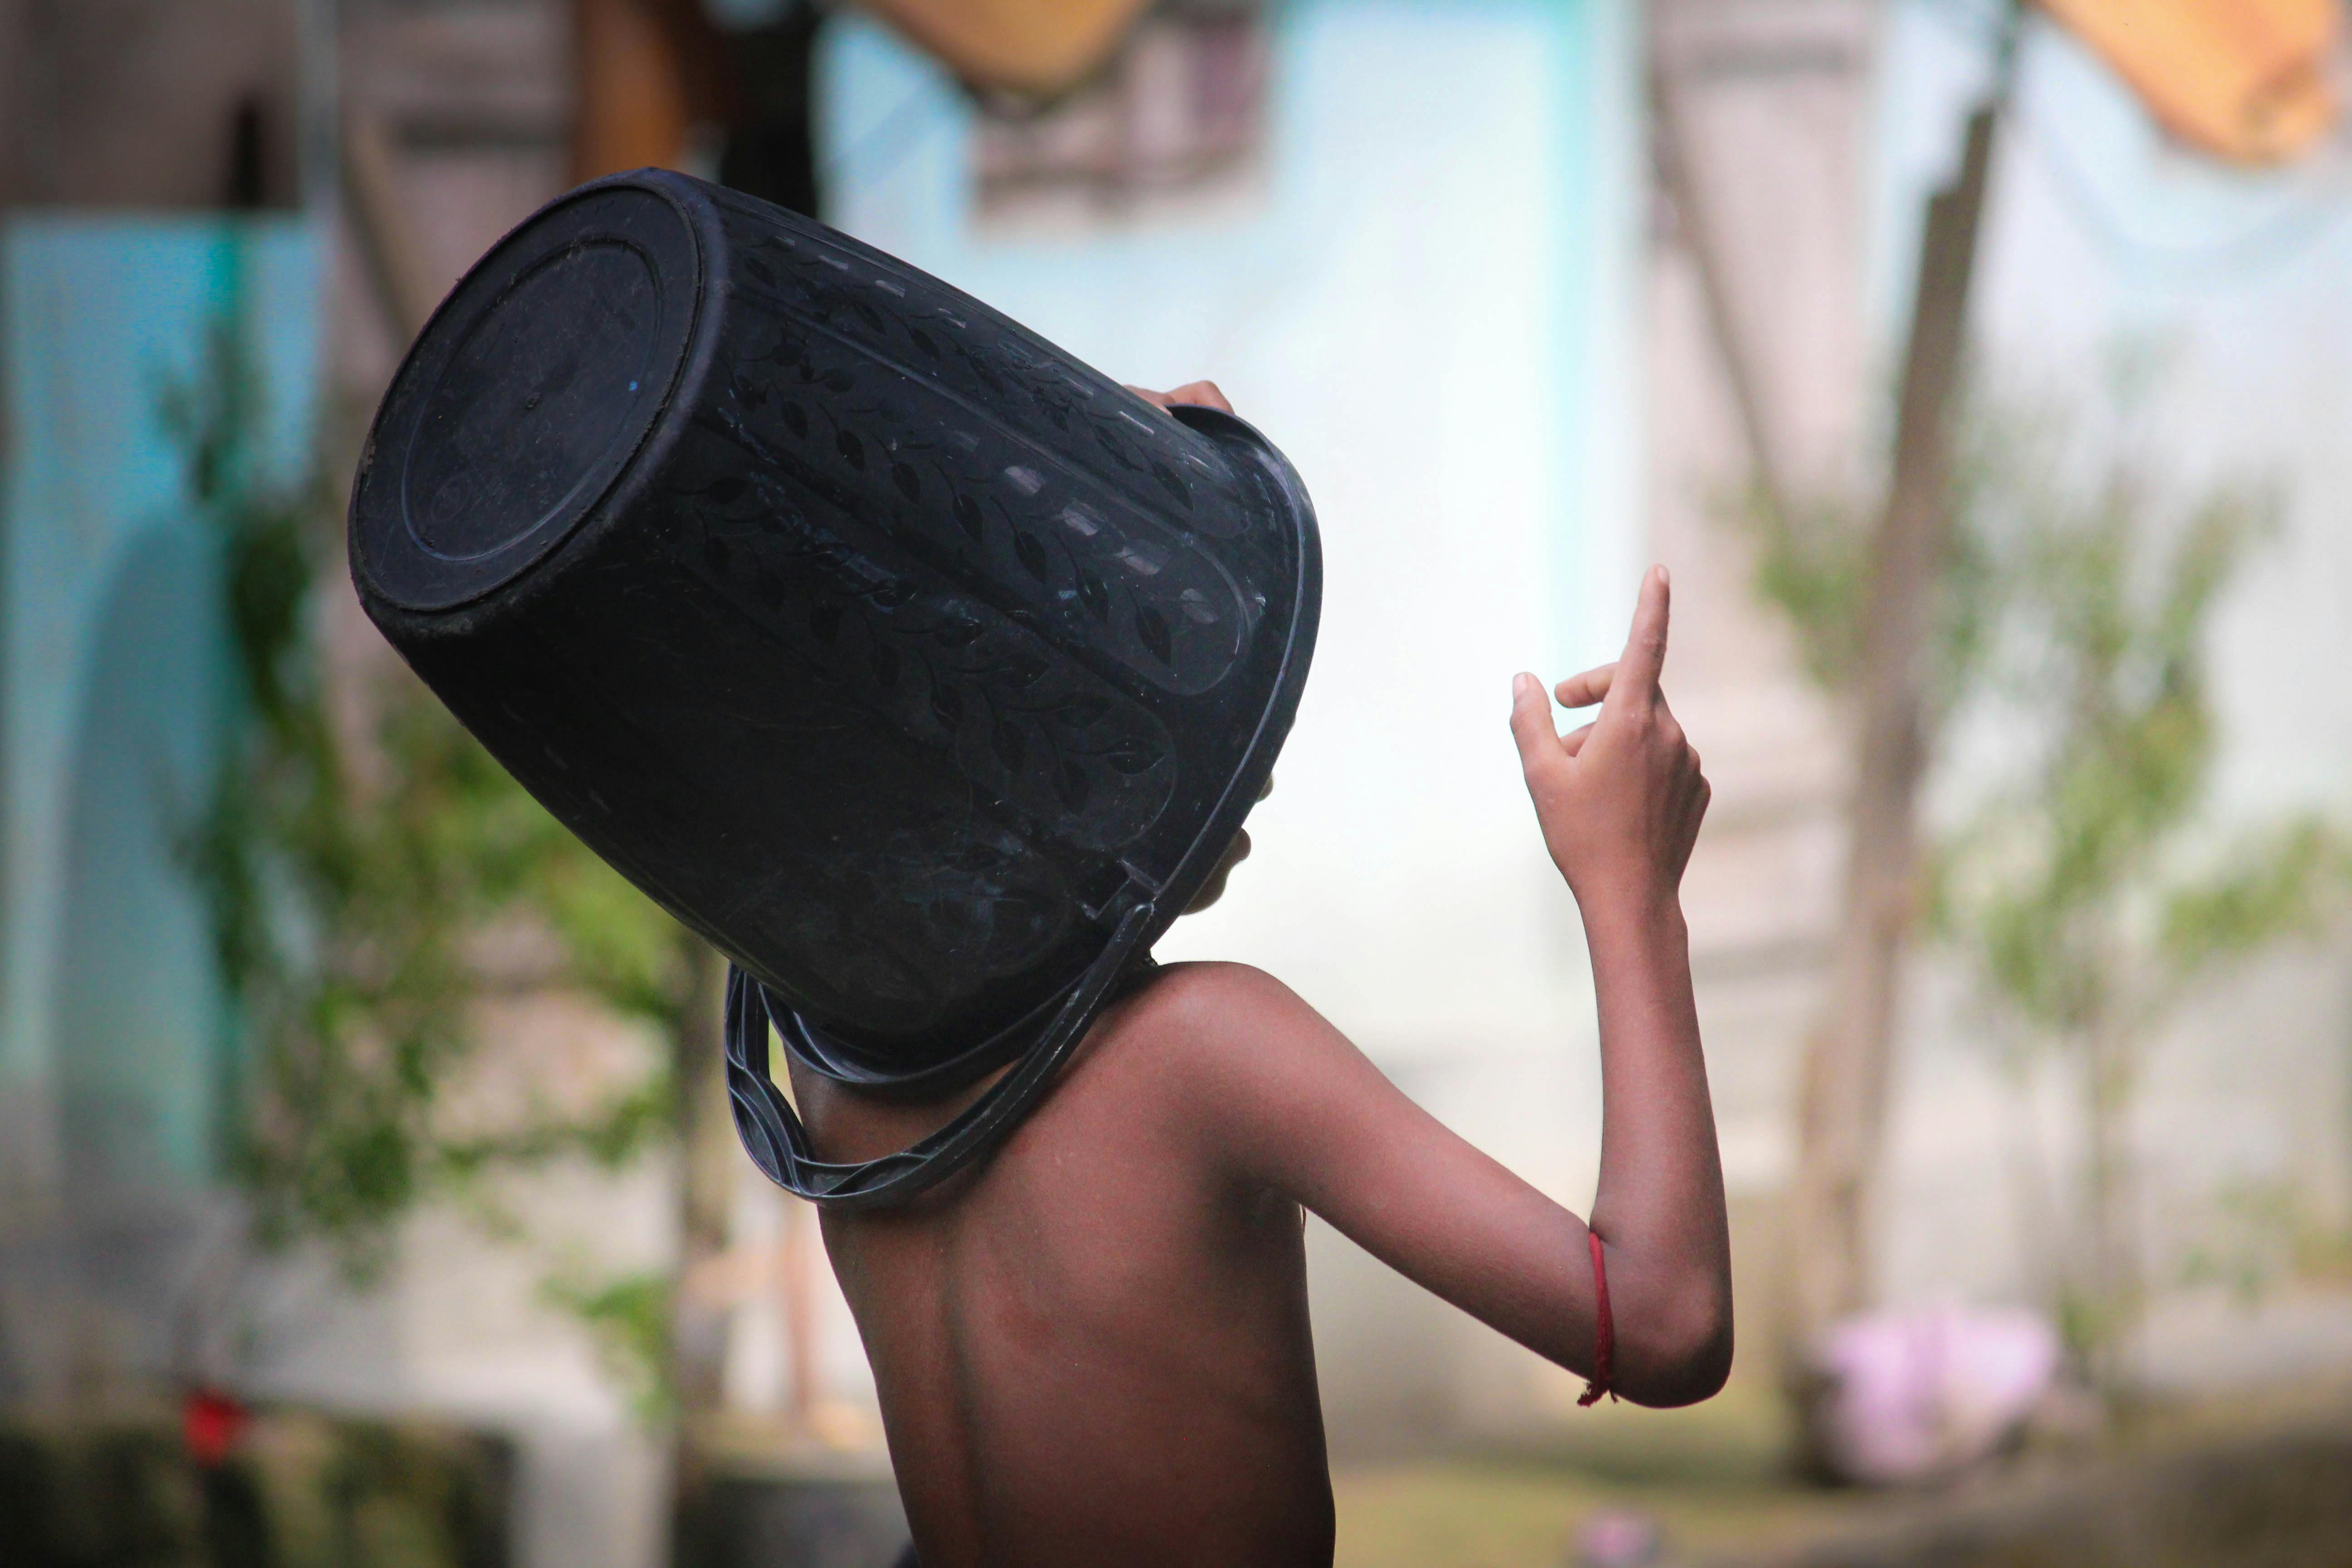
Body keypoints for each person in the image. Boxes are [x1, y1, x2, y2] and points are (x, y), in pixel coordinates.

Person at [789, 383, 1732, 1568]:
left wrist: (1069, 458)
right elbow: (1663, 1325)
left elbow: (915, 600)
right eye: (1181, 691)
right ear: (1085, 752)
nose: (1259, 762)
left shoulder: (832, 1059)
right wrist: (1632, 893)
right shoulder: (1199, 1053)